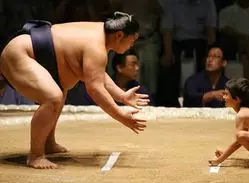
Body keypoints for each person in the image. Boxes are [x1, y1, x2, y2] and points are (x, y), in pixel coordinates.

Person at [0, 12, 149, 169]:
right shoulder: (96, 46)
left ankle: (48, 143)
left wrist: (122, 96)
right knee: (53, 97)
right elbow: (94, 89)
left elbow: (96, 73)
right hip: (20, 54)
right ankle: (36, 155)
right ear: (119, 35)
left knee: (59, 93)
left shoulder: (99, 35)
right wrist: (119, 114)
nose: (131, 46)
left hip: (34, 52)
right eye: (131, 41)